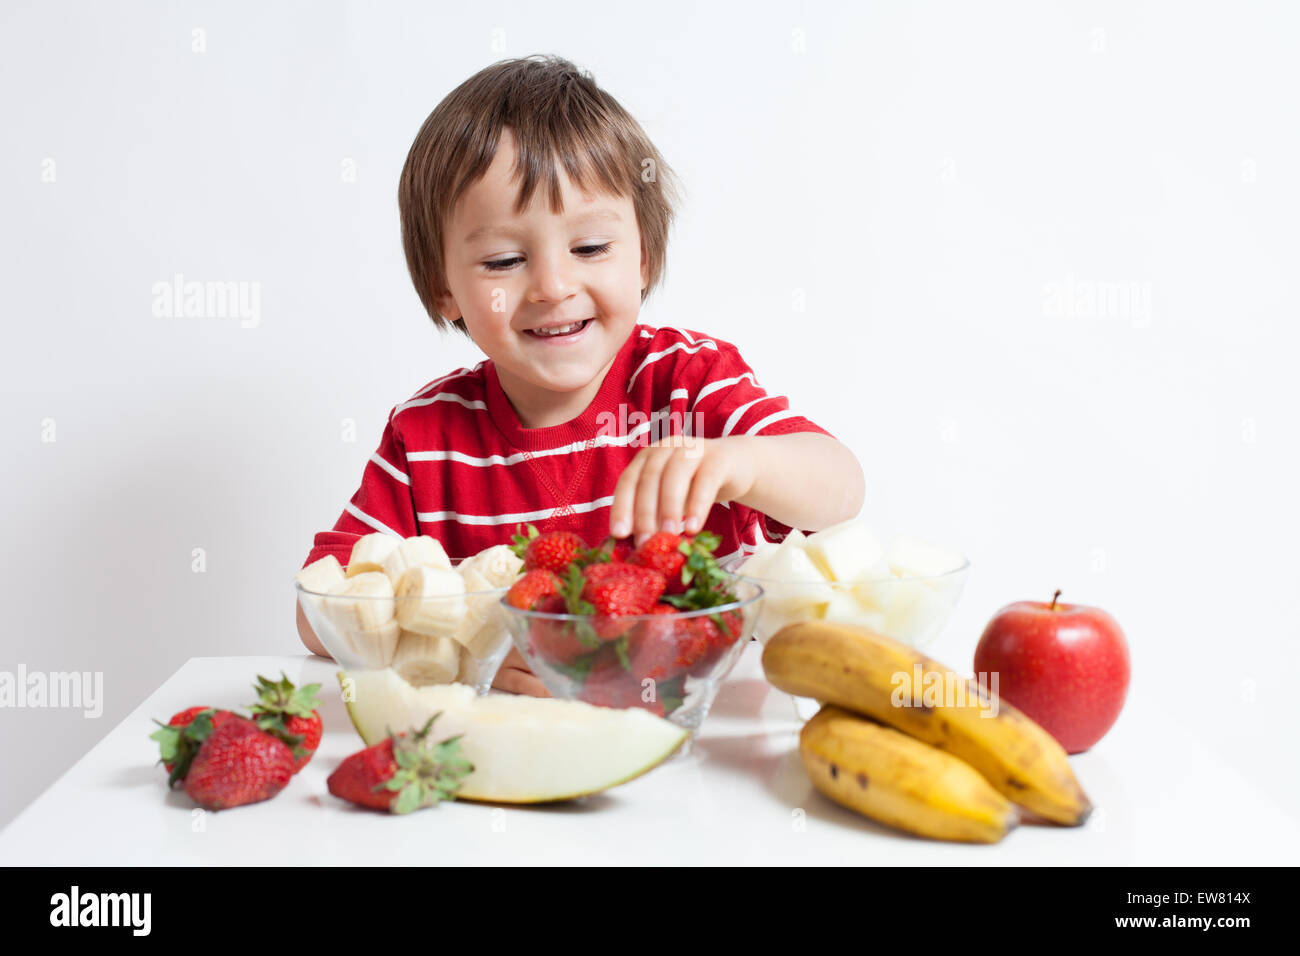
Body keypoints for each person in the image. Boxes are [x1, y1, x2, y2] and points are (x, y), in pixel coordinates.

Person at [297, 55, 865, 695]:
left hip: (700, 731)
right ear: (443, 289)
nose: (554, 286)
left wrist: (742, 465)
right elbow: (319, 609)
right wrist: (475, 641)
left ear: (644, 256)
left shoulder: (687, 382)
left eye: (590, 248)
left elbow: (841, 489)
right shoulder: (427, 435)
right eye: (505, 259)